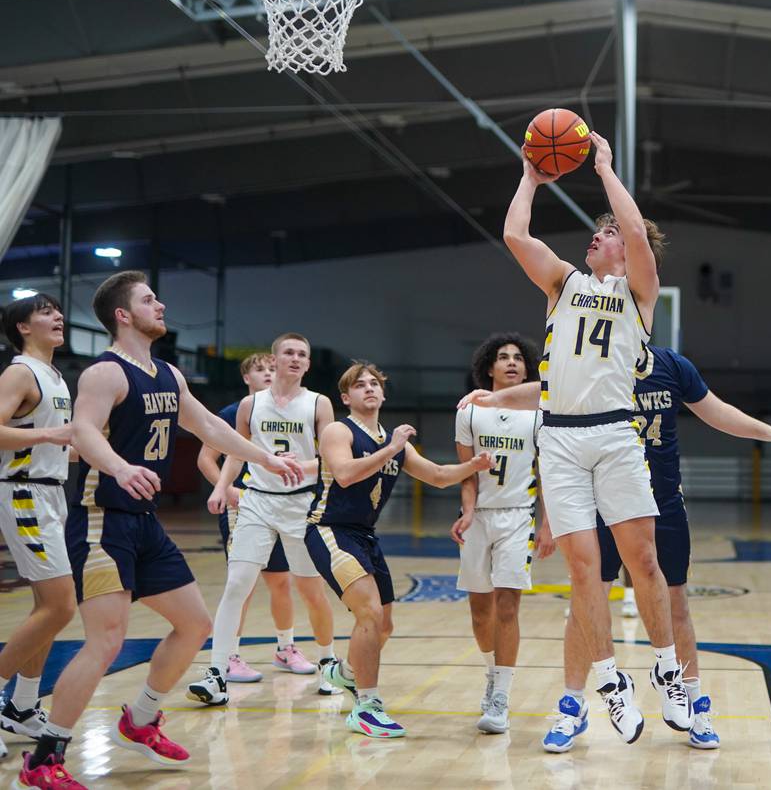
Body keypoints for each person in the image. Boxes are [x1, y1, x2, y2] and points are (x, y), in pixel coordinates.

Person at [15, 271, 303, 790]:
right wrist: (120, 468)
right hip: (103, 519)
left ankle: (141, 718)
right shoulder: (105, 373)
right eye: (149, 300)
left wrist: (265, 458)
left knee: (195, 625)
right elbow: (82, 429)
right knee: (105, 641)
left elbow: (209, 428)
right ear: (123, 315)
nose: (161, 305)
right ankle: (44, 757)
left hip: (144, 523)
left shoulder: (168, 373)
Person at [459, 344, 771, 751]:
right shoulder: (590, 358)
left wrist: (770, 432)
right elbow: (544, 388)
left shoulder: (672, 365)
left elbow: (715, 410)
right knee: (586, 598)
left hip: (662, 502)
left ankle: (692, 701)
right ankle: (572, 704)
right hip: (601, 499)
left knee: (676, 600)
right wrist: (496, 397)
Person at [502, 131, 691, 744]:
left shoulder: (639, 294)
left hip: (614, 436)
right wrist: (532, 178)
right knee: (585, 572)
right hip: (558, 440)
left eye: (603, 232)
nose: (597, 236)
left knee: (644, 562)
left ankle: (667, 672)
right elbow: (515, 237)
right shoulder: (563, 283)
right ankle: (610, 683)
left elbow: (636, 236)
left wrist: (606, 168)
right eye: (596, 231)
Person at [307, 361, 494, 738]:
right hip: (329, 530)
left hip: (365, 535)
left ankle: (343, 673)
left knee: (384, 626)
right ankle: (366, 705)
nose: (369, 389)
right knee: (370, 614)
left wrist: (472, 465)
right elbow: (345, 474)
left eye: (374, 383)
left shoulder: (394, 442)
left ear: (383, 392)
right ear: (346, 397)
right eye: (359, 385)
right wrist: (392, 447)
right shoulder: (337, 430)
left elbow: (438, 476)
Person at [188, 332, 339, 706]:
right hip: (256, 502)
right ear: (275, 360)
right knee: (237, 584)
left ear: (307, 364)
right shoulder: (249, 405)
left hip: (300, 504)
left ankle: (329, 662)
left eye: (302, 354)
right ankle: (216, 673)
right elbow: (235, 453)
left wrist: (295, 466)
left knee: (310, 590)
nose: (296, 358)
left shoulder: (319, 404)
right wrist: (222, 487)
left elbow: (332, 459)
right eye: (288, 352)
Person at [449, 332, 554, 734]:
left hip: (518, 518)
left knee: (508, 606)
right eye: (502, 357)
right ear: (488, 368)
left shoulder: (539, 414)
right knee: (480, 613)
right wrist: (468, 510)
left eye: (518, 359)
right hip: (480, 519)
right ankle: (491, 672)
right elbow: (466, 474)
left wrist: (547, 525)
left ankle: (502, 696)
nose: (512, 363)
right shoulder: (469, 412)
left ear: (527, 369)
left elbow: (548, 474)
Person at [0, 295, 74, 757]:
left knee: (49, 605)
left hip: (51, 491)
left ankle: (23, 707)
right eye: (46, 312)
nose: (58, 317)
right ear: (23, 327)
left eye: (58, 311)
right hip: (24, 492)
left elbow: (56, 439)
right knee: (60, 606)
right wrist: (48, 435)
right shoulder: (19, 372)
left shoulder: (55, 376)